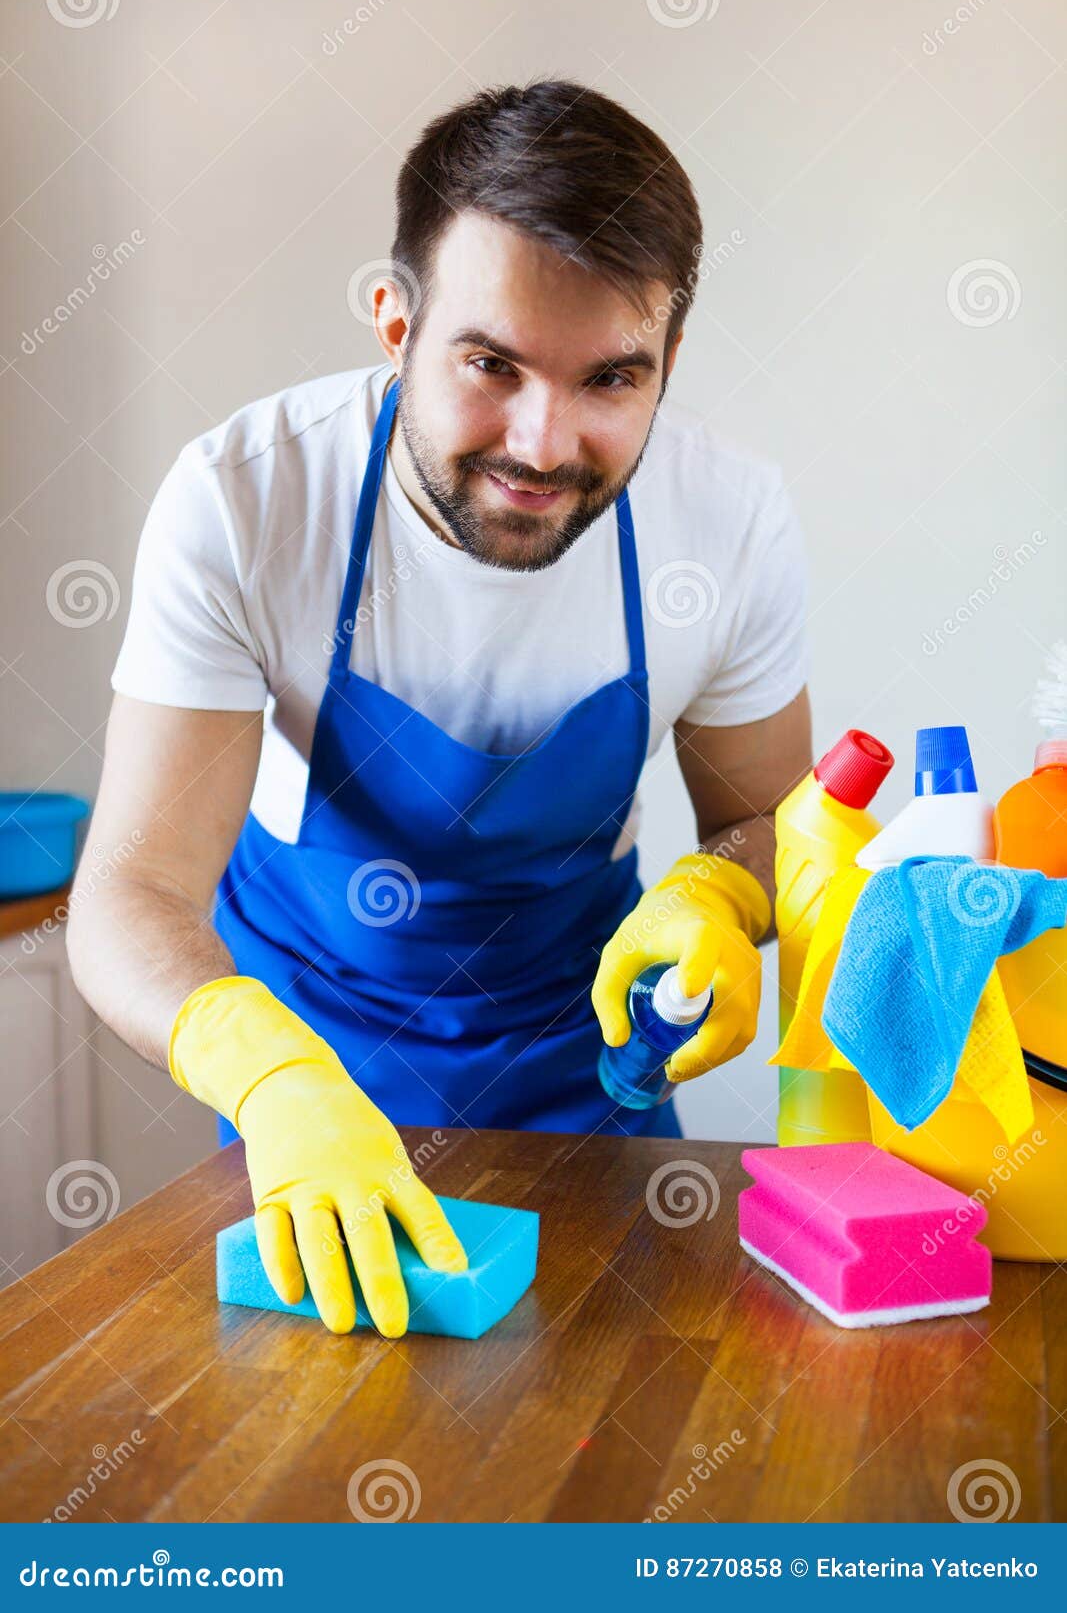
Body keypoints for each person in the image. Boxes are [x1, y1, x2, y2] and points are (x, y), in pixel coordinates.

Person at [67, 79, 812, 1338]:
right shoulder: (245, 502)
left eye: (610, 379)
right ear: (392, 319)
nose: (543, 440)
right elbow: (131, 896)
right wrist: (274, 1076)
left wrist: (723, 896)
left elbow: (773, 822)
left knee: (609, 1447)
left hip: (593, 1077)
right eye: (490, 362)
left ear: (667, 361)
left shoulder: (726, 527)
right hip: (315, 1085)